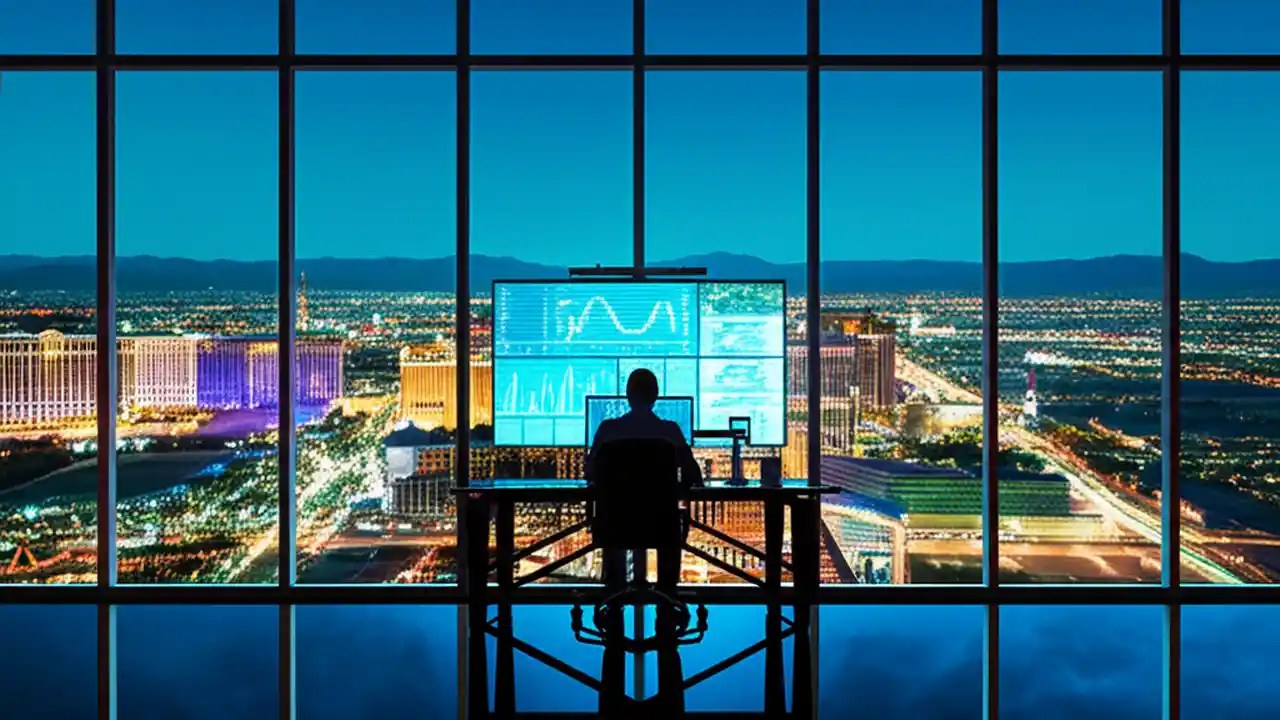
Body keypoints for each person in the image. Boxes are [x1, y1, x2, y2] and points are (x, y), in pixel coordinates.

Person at [586, 368, 703, 593]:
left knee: (615, 529)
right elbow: (693, 476)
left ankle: (614, 599)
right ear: (656, 397)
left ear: (627, 395)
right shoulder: (669, 432)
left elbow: (591, 474)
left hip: (616, 524)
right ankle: (667, 600)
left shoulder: (608, 430)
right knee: (669, 530)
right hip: (661, 525)